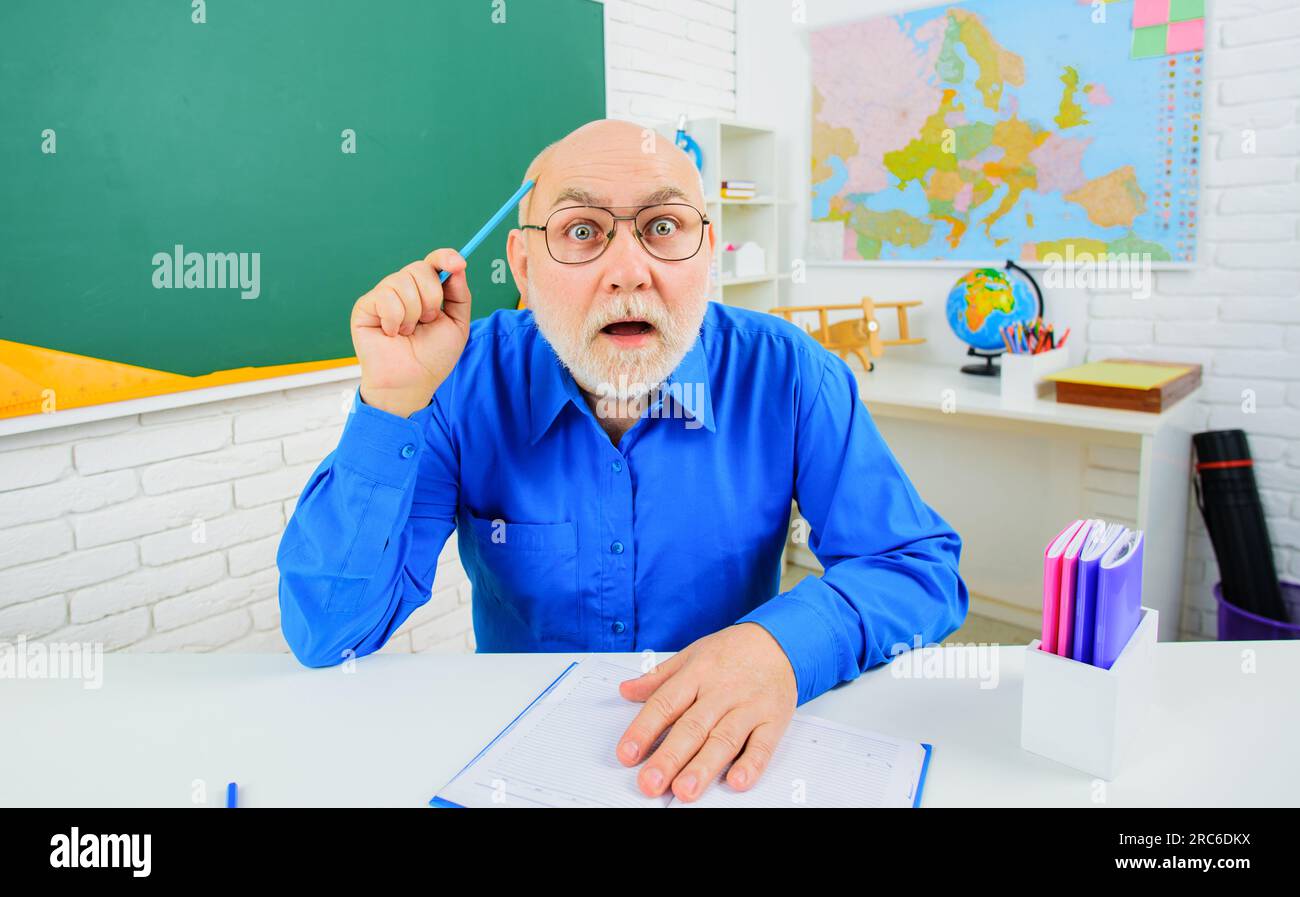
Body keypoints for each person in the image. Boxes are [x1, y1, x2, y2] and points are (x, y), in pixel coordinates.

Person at [277, 118, 968, 803]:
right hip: (521, 774)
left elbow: (915, 567)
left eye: (663, 227)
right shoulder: (457, 383)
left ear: (708, 250)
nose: (629, 272)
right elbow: (330, 631)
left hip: (727, 777)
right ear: (522, 265)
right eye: (582, 232)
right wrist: (390, 404)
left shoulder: (788, 374)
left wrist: (781, 646)